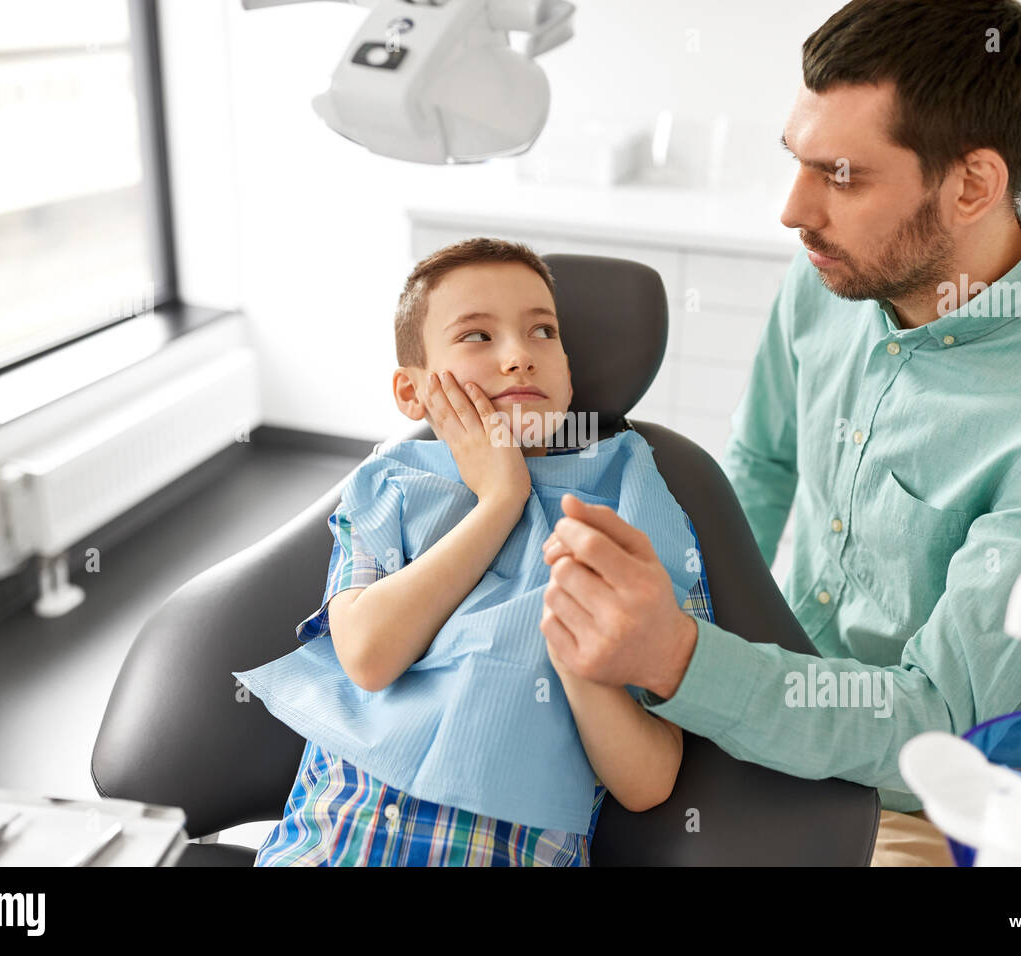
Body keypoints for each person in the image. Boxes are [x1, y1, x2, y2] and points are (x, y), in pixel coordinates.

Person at [538, 0, 1021, 866]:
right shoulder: (833, 275)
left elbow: (941, 723)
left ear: (971, 186)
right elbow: (761, 468)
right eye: (796, 163)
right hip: (728, 704)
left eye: (841, 175)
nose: (794, 210)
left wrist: (685, 660)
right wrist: (684, 637)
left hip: (909, 797)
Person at [235, 237, 714, 866]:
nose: (519, 357)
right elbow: (369, 656)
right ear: (413, 392)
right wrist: (499, 501)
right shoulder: (389, 485)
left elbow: (648, 780)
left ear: (569, 371)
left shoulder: (639, 503)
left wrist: (575, 660)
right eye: (477, 337)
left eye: (543, 331)